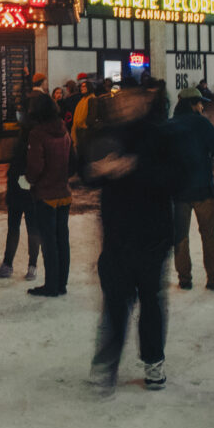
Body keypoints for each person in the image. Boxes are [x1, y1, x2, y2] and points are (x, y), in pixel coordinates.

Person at [87, 82, 176, 395]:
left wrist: (134, 167)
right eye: (118, 99)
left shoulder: (160, 134)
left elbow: (176, 179)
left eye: (128, 98)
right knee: (114, 302)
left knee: (150, 302)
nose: (122, 105)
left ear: (143, 100)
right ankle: (106, 365)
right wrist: (97, 170)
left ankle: (154, 362)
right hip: (116, 236)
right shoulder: (106, 133)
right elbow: (85, 171)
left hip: (152, 236)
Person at [166, 87, 214, 291]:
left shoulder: (170, 126)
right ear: (192, 104)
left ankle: (184, 278)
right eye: (200, 103)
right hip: (202, 188)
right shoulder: (202, 123)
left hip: (178, 191)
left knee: (181, 236)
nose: (202, 106)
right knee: (208, 235)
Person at [23, 92, 74, 296]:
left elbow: (35, 166)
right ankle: (61, 283)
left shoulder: (37, 134)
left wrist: (28, 180)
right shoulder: (63, 129)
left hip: (45, 194)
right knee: (62, 239)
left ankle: (51, 285)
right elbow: (71, 160)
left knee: (49, 242)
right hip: (64, 192)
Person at [0, 97, 40, 281]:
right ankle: (19, 264)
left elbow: (26, 163)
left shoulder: (32, 135)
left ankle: (23, 265)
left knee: (26, 227)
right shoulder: (28, 134)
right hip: (23, 187)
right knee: (25, 227)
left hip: (26, 187)